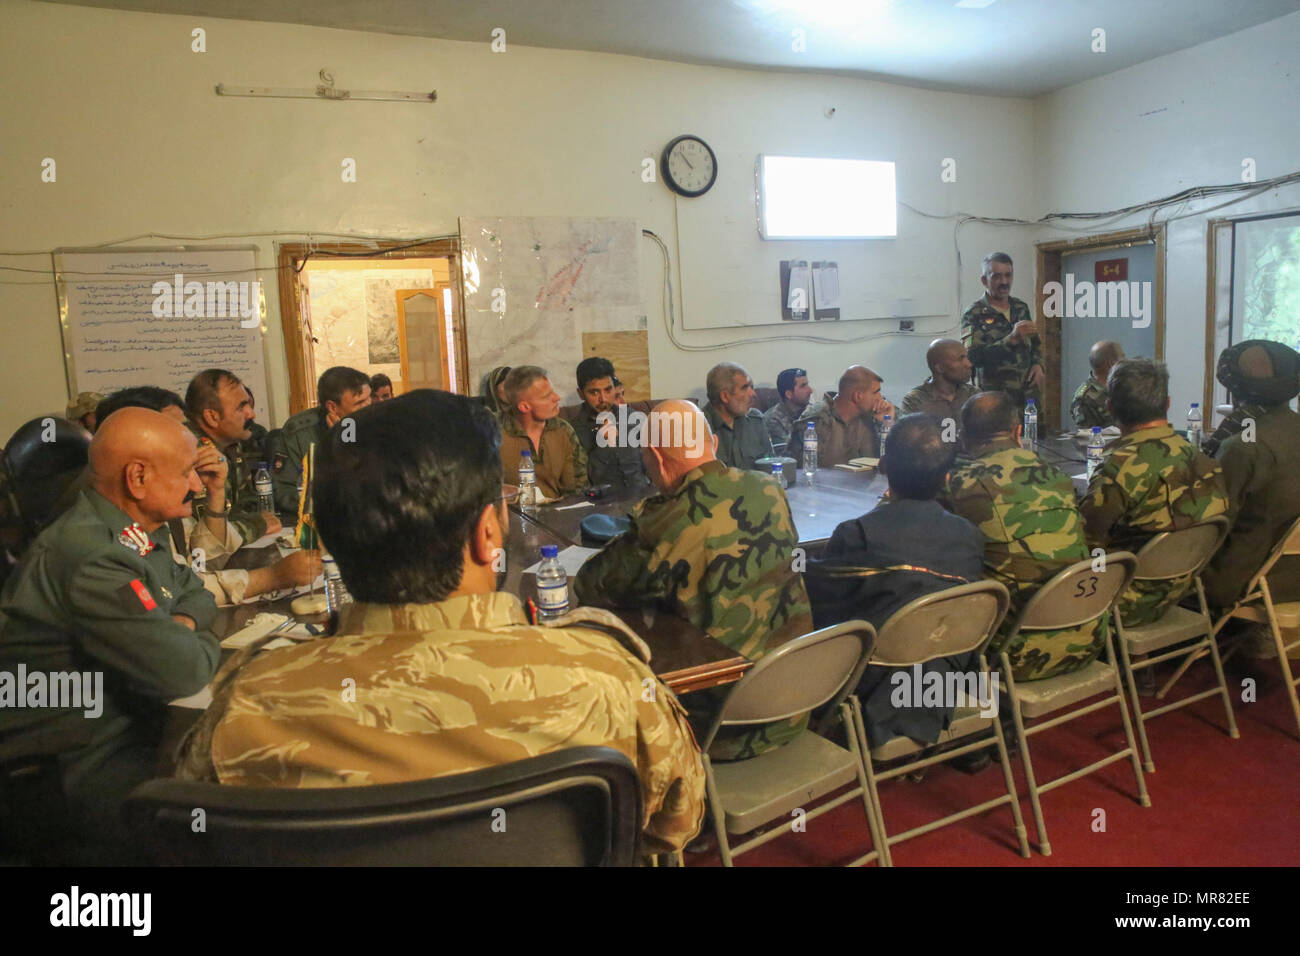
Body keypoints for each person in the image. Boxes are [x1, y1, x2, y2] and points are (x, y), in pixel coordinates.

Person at [179, 391, 704, 855]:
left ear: (330, 541)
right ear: (488, 535)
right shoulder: (607, 678)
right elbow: (674, 824)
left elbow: (193, 839)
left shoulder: (249, 702)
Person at [0, 408, 219, 862]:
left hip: (121, 725)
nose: (197, 486)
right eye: (186, 474)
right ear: (137, 478)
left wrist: (181, 627)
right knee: (229, 816)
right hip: (67, 768)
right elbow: (185, 672)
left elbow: (196, 592)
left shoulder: (130, 532)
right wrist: (191, 642)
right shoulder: (91, 555)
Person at [574, 400, 812, 759]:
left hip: (716, 724)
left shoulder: (664, 520)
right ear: (713, 444)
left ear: (653, 455)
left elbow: (592, 586)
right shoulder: (769, 489)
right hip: (796, 699)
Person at [809, 413, 984, 745]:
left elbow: (823, 614)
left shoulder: (856, 534)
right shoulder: (968, 536)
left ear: (885, 465)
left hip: (869, 683)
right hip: (944, 678)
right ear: (947, 478)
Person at [96, 387, 319, 607]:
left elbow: (202, 561)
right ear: (137, 472)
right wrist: (271, 577)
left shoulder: (155, 507)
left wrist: (216, 493)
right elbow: (178, 594)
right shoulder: (105, 544)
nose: (187, 438)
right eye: (174, 431)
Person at [938, 392, 1094, 681]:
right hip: (1086, 636)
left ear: (963, 436)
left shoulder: (961, 485)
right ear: (1017, 431)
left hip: (1010, 654)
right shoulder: (1058, 476)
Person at [1080, 358, 1228, 626]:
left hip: (1123, 599)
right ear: (1168, 404)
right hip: (1185, 590)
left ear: (1110, 407)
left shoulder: (1118, 468)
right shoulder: (1204, 459)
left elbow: (1085, 542)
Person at [1201, 340, 1300, 611]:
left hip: (1242, 580)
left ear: (1235, 389)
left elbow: (1209, 525)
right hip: (1289, 576)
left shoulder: (1242, 446)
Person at [185, 369, 280, 544]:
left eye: (249, 405)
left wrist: (251, 520)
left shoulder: (232, 445)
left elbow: (246, 506)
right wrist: (258, 525)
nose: (251, 414)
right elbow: (209, 537)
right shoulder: (192, 452)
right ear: (212, 417)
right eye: (241, 407)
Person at [269, 366, 371, 514]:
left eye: (369, 398)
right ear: (333, 407)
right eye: (360, 403)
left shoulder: (378, 422)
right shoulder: (299, 432)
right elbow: (283, 491)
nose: (369, 406)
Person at [961, 252, 1044, 407]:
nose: (1004, 282)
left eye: (1008, 275)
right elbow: (971, 357)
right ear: (985, 280)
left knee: (1035, 432)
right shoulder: (972, 314)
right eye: (997, 276)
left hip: (1028, 396)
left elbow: (1035, 343)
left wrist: (1038, 365)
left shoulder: (1020, 307)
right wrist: (1010, 340)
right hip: (995, 398)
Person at [498, 365, 588, 499]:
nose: (557, 398)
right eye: (547, 396)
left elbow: (577, 487)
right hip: (512, 514)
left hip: (557, 513)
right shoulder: (493, 433)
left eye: (553, 392)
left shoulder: (562, 430)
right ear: (524, 406)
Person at [786, 365, 894, 466]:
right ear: (858, 396)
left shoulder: (869, 417)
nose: (880, 398)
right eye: (876, 392)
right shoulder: (817, 420)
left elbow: (883, 464)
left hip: (863, 484)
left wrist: (886, 423)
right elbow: (803, 470)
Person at [572, 356, 648, 490]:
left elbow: (652, 464)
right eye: (594, 392)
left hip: (642, 495)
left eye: (608, 390)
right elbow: (589, 479)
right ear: (581, 394)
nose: (603, 399)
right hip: (605, 501)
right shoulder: (574, 431)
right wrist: (605, 443)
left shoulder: (632, 417)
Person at [702, 362, 774, 471]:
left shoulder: (755, 420)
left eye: (752, 387)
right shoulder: (698, 427)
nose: (753, 394)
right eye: (745, 388)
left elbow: (771, 466)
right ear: (725, 396)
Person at [900, 339, 977, 432]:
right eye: (960, 359)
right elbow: (910, 440)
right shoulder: (915, 400)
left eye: (967, 358)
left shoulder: (973, 395)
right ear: (940, 368)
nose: (969, 364)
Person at [1071, 340, 1125, 429]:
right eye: (1122, 357)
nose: (1125, 361)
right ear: (1111, 363)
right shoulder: (1083, 398)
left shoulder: (1121, 387)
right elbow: (1087, 437)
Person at [762, 367, 814, 448]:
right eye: (803, 386)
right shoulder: (773, 420)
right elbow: (789, 453)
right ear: (789, 394)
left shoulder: (811, 412)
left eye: (807, 384)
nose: (810, 390)